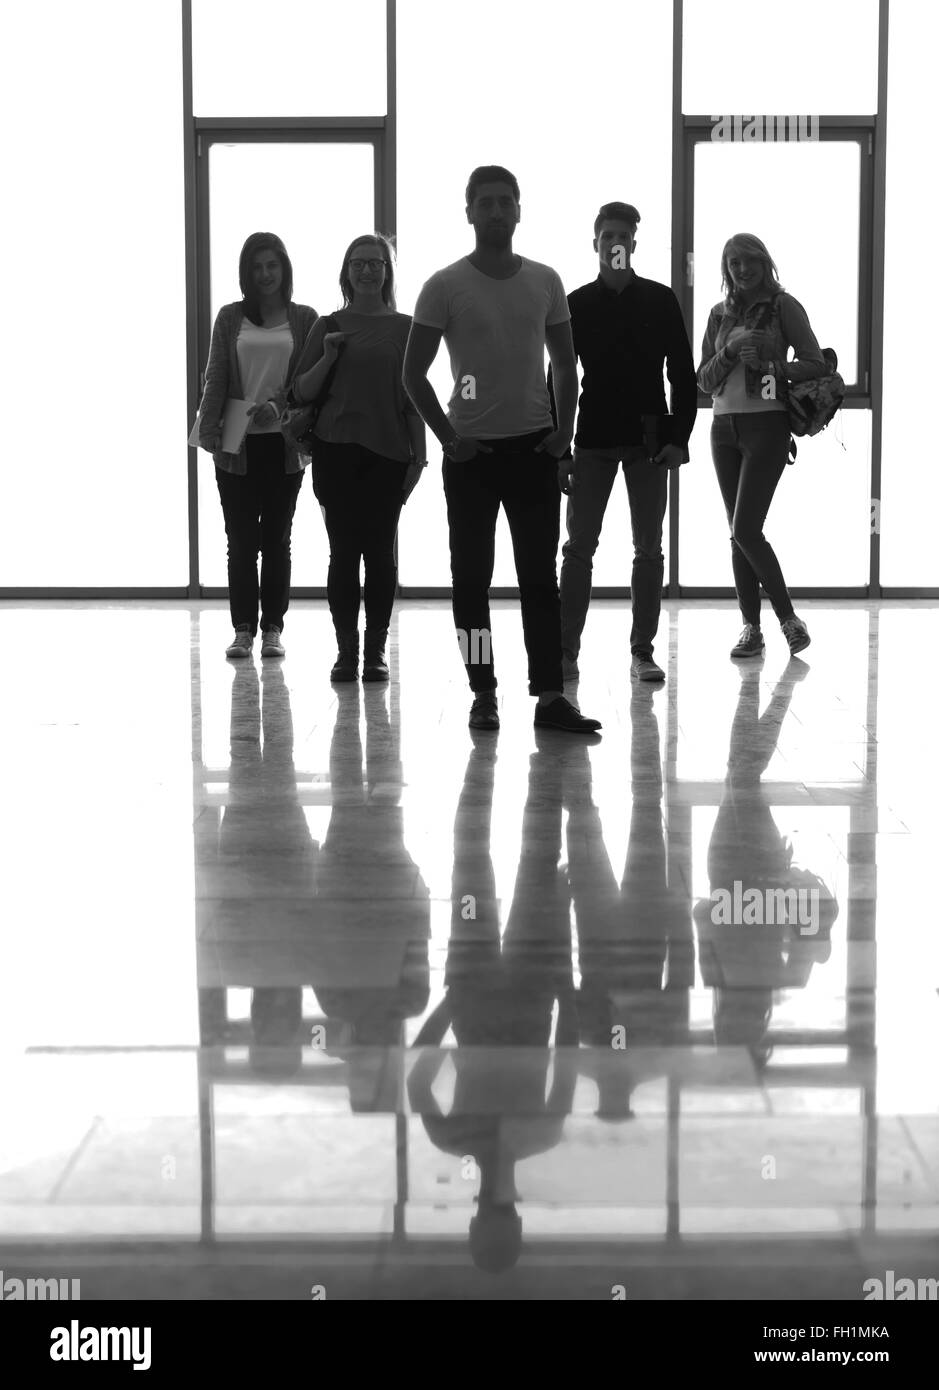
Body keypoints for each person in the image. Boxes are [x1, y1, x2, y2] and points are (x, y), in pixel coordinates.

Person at [403, 165, 601, 734]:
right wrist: (446, 438)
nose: (494, 211)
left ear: (519, 210)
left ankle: (550, 697)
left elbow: (565, 363)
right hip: (471, 458)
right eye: (484, 202)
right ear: (469, 212)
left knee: (541, 578)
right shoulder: (443, 285)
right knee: (470, 577)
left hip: (534, 452)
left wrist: (565, 433)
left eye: (504, 202)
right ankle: (483, 690)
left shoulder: (545, 280)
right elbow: (412, 374)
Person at [557, 202, 697, 684]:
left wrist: (680, 438)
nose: (615, 242)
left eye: (624, 235)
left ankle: (643, 651)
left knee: (649, 549)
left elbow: (682, 373)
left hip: (649, 440)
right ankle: (565, 652)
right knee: (578, 548)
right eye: (607, 235)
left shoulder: (659, 300)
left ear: (634, 244)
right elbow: (556, 378)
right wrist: (559, 449)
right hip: (592, 438)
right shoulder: (575, 303)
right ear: (595, 243)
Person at [291, 234, 427, 682]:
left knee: (382, 555)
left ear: (387, 272)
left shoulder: (405, 327)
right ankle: (346, 651)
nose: (367, 270)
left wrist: (419, 457)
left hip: (389, 452)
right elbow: (302, 391)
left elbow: (414, 398)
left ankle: (376, 650)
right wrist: (328, 356)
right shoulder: (327, 324)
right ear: (346, 271)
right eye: (358, 263)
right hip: (336, 450)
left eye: (376, 263)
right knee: (344, 554)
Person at [697, 234, 826, 659]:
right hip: (722, 428)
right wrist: (730, 351)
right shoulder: (719, 314)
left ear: (764, 262)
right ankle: (750, 629)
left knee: (745, 528)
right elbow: (703, 380)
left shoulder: (783, 306)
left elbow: (815, 362)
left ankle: (789, 620)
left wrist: (773, 366)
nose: (742, 269)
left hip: (767, 427)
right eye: (733, 263)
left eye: (749, 260)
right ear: (726, 269)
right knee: (737, 534)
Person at [198, 232, 318, 659]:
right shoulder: (230, 317)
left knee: (278, 538)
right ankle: (243, 628)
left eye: (273, 265)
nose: (265, 274)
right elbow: (215, 377)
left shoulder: (305, 318)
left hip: (285, 443)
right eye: (257, 267)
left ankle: (273, 628)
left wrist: (276, 405)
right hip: (236, 444)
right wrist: (207, 431)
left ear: (285, 269)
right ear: (246, 273)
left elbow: (310, 384)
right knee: (241, 540)